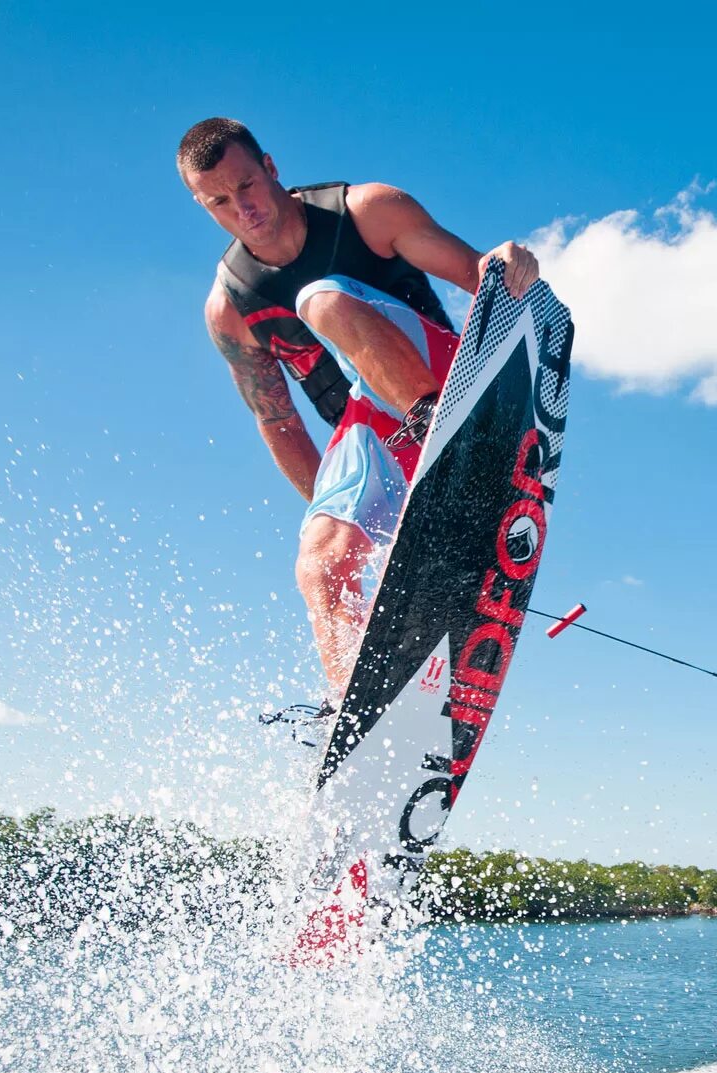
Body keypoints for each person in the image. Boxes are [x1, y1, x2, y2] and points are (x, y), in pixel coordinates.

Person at [178, 117, 540, 696]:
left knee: (319, 299)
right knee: (321, 562)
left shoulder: (367, 211)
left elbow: (482, 279)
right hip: (377, 429)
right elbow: (278, 422)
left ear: (271, 169)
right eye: (219, 201)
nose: (242, 208)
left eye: (246, 185)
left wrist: (504, 262)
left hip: (450, 386)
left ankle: (445, 448)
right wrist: (353, 518)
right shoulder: (230, 309)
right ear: (204, 206)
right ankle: (359, 715)